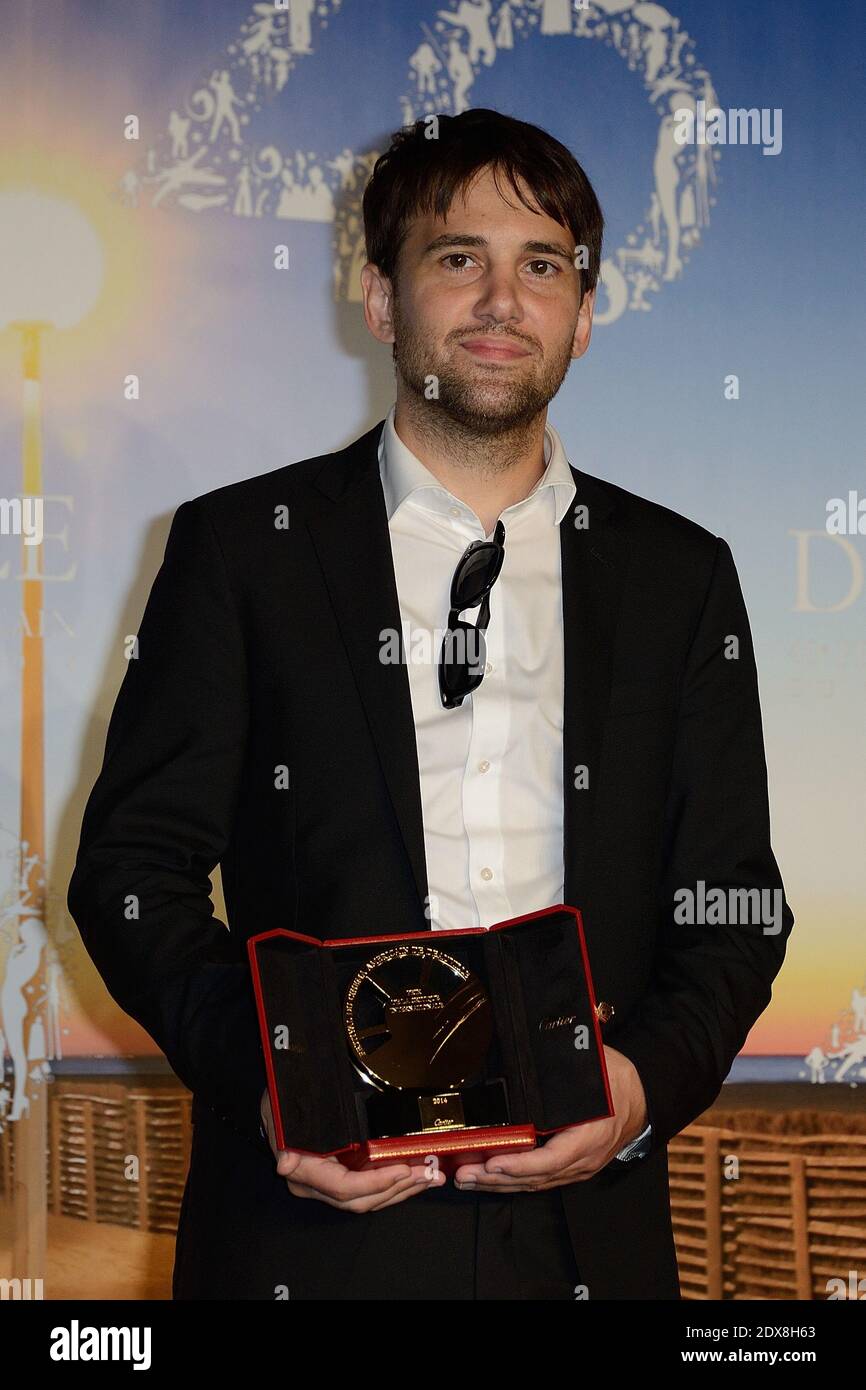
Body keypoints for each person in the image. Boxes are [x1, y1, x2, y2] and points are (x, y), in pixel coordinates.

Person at [67, 108, 794, 1300]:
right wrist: (272, 1083)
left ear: (584, 310)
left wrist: (634, 1091)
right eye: (459, 259)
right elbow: (133, 872)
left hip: (587, 1237)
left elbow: (732, 904)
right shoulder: (243, 550)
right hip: (303, 1233)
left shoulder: (680, 575)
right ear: (378, 297)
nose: (503, 300)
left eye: (542, 266)